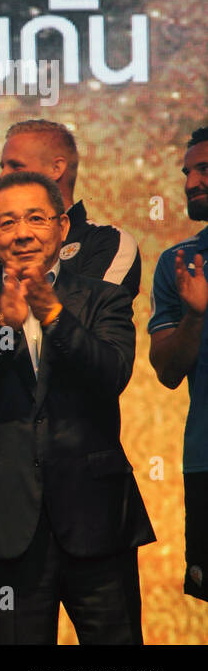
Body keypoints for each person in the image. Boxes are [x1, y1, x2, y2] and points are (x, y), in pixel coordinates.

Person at [0, 171, 154, 644]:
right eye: (7, 223)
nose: (22, 233)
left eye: (36, 218)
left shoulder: (103, 297)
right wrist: (5, 329)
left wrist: (53, 315)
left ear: (62, 227)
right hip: (5, 521)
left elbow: (110, 375)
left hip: (96, 517)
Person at [0, 119, 139, 302]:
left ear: (56, 169)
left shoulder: (108, 241)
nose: (3, 176)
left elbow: (87, 319)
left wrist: (9, 265)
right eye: (3, 167)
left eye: (16, 166)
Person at [148, 126, 208, 608]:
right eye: (187, 172)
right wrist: (194, 315)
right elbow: (167, 372)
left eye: (203, 169)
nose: (191, 182)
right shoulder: (180, 262)